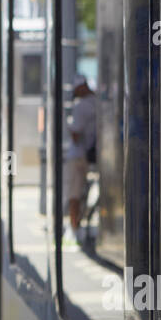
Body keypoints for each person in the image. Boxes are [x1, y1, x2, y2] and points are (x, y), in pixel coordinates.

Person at [63, 75, 98, 242]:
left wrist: (69, 126)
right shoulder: (97, 102)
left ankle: (74, 228)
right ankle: (78, 225)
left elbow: (76, 134)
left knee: (74, 194)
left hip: (77, 156)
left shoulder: (81, 106)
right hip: (89, 155)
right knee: (82, 192)